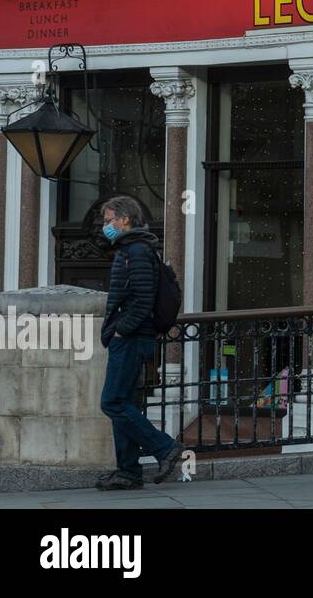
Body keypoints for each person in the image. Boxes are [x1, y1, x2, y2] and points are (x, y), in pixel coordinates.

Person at [95, 195, 185, 490]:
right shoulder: (130, 249)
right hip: (131, 338)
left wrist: (122, 330)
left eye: (109, 221)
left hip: (133, 339)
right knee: (124, 402)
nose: (105, 226)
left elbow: (142, 299)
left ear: (124, 220)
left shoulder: (136, 250)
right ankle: (128, 471)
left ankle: (165, 448)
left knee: (112, 402)